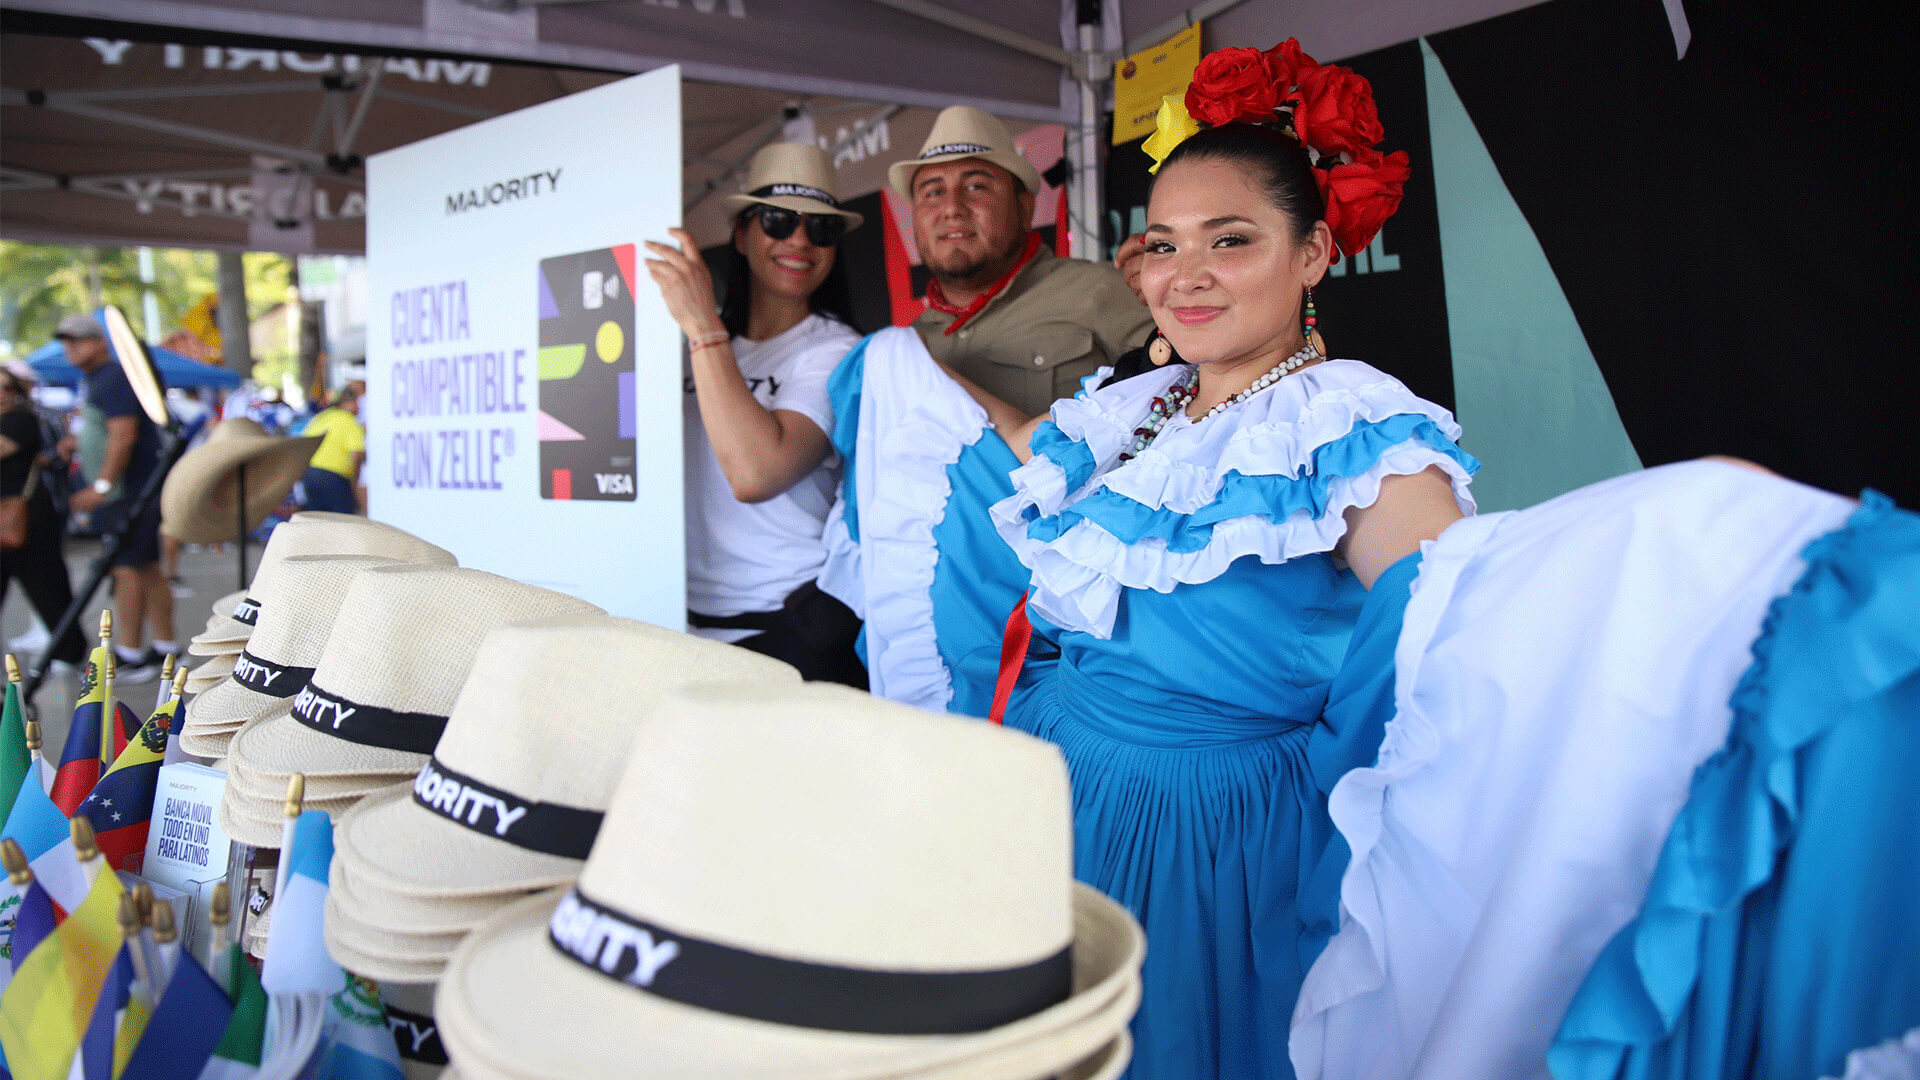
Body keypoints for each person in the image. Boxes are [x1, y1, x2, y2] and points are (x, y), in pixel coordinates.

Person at [821, 44, 1469, 1077]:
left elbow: (1455, 609)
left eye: (1232, 240)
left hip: (1213, 851)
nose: (1186, 275)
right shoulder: (1134, 414)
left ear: (1312, 254)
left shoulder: (1350, 427)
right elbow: (1004, 474)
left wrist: (1338, 794)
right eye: (1163, 245)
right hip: (1064, 797)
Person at [642, 142, 867, 687]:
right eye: (778, 221)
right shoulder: (678, 342)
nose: (799, 241)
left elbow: (756, 472)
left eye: (821, 229)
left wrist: (703, 327)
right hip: (680, 626)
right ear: (742, 235)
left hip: (791, 633)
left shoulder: (836, 351)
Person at [892, 106, 1155, 418]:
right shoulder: (905, 347)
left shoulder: (1099, 289)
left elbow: (1185, 395)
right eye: (933, 191)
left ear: (1025, 207)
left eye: (976, 186)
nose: (952, 208)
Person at [59, 313, 175, 683]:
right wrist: (78, 442)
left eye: (78, 339)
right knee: (146, 567)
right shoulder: (100, 379)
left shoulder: (111, 376)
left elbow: (123, 434)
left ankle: (131, 653)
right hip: (134, 489)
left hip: (129, 492)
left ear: (99, 343)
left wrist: (103, 486)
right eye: (67, 341)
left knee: (126, 568)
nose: (70, 347)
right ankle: (166, 646)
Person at [1, 365, 89, 670]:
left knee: (49, 589)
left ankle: (70, 651)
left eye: (7, 388)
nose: (1, 395)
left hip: (28, 518)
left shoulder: (21, 420)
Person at [299, 385, 366, 514]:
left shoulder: (321, 417)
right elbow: (356, 454)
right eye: (356, 402)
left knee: (317, 522)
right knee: (342, 523)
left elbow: (304, 444)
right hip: (334, 478)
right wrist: (354, 482)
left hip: (310, 475)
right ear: (347, 403)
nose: (358, 408)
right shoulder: (348, 420)